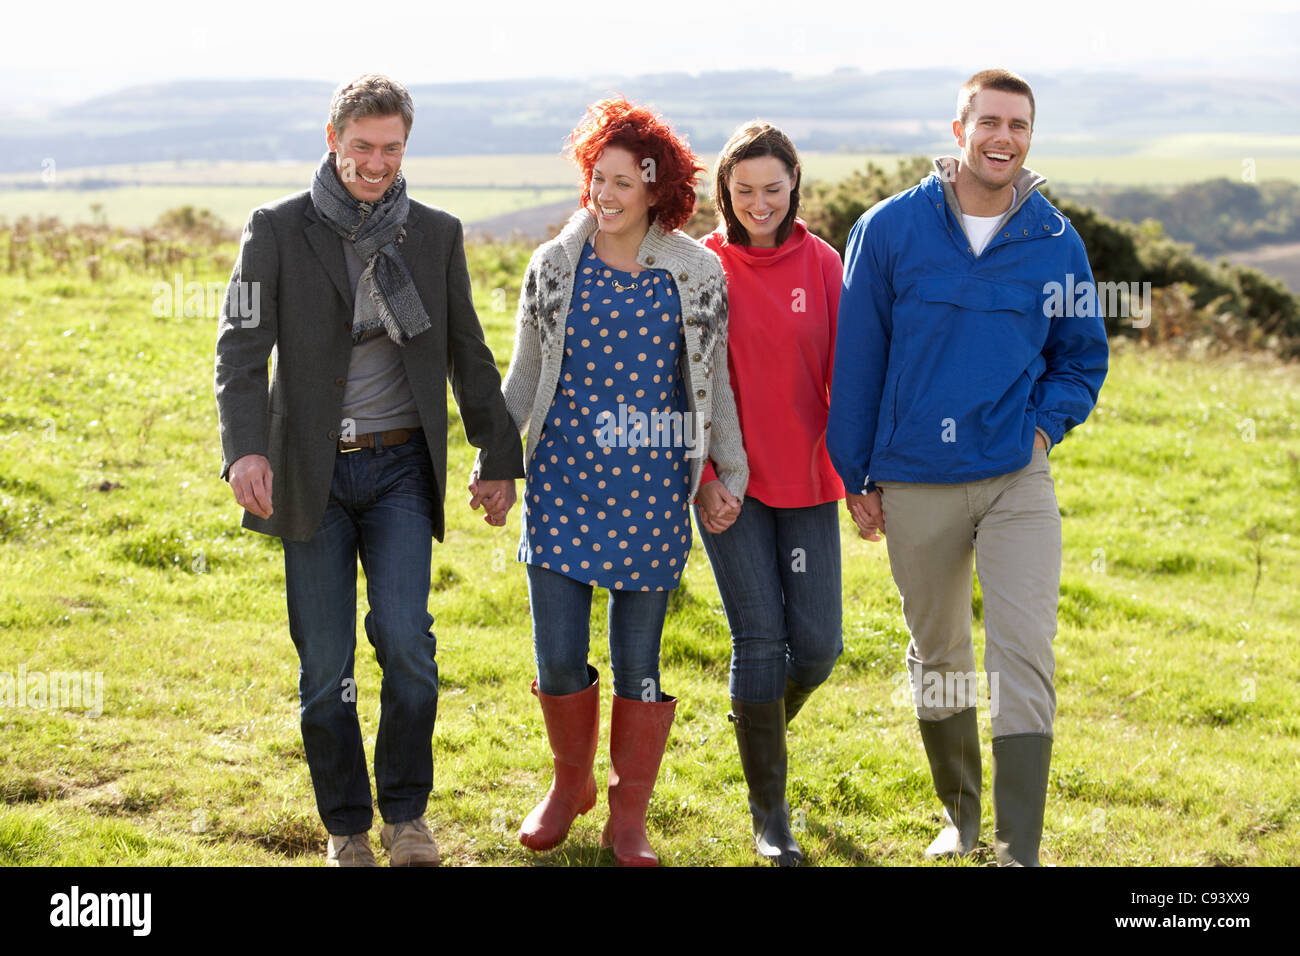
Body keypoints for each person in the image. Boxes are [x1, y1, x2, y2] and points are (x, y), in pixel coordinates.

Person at [213, 74, 523, 867]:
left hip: (398, 474)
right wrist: (244, 449)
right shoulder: (276, 229)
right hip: (308, 474)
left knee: (407, 645)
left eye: (391, 149)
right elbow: (241, 349)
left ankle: (407, 817)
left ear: (405, 147)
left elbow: (466, 352)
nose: (376, 163)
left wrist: (497, 454)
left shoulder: (434, 233)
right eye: (362, 148)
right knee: (326, 666)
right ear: (333, 139)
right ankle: (347, 826)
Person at [827, 69, 1108, 867]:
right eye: (989, 122)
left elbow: (1080, 357)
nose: (1004, 139)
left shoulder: (1055, 240)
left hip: (1016, 478)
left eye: (1018, 126)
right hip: (915, 477)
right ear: (960, 130)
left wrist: (1043, 434)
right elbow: (859, 362)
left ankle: (1020, 842)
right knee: (942, 653)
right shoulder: (889, 230)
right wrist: (857, 475)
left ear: (1029, 136)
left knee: (1023, 650)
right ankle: (962, 818)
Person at [500, 97, 748, 866]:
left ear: (654, 191)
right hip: (562, 480)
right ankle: (568, 784)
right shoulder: (553, 266)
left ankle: (626, 817)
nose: (605, 194)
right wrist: (494, 461)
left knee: (640, 661)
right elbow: (525, 376)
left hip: (651, 494)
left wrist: (719, 474)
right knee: (558, 655)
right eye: (595, 178)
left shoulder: (697, 275)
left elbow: (713, 386)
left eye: (622, 183)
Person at [696, 121, 844, 866]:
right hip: (730, 487)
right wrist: (708, 478)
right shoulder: (699, 268)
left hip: (810, 480)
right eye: (743, 189)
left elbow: (850, 377)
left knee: (817, 647)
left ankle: (759, 724)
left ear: (795, 186)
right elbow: (678, 385)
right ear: (725, 190)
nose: (758, 202)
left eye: (772, 189)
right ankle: (770, 819)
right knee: (759, 639)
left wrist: (866, 475)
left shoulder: (822, 264)